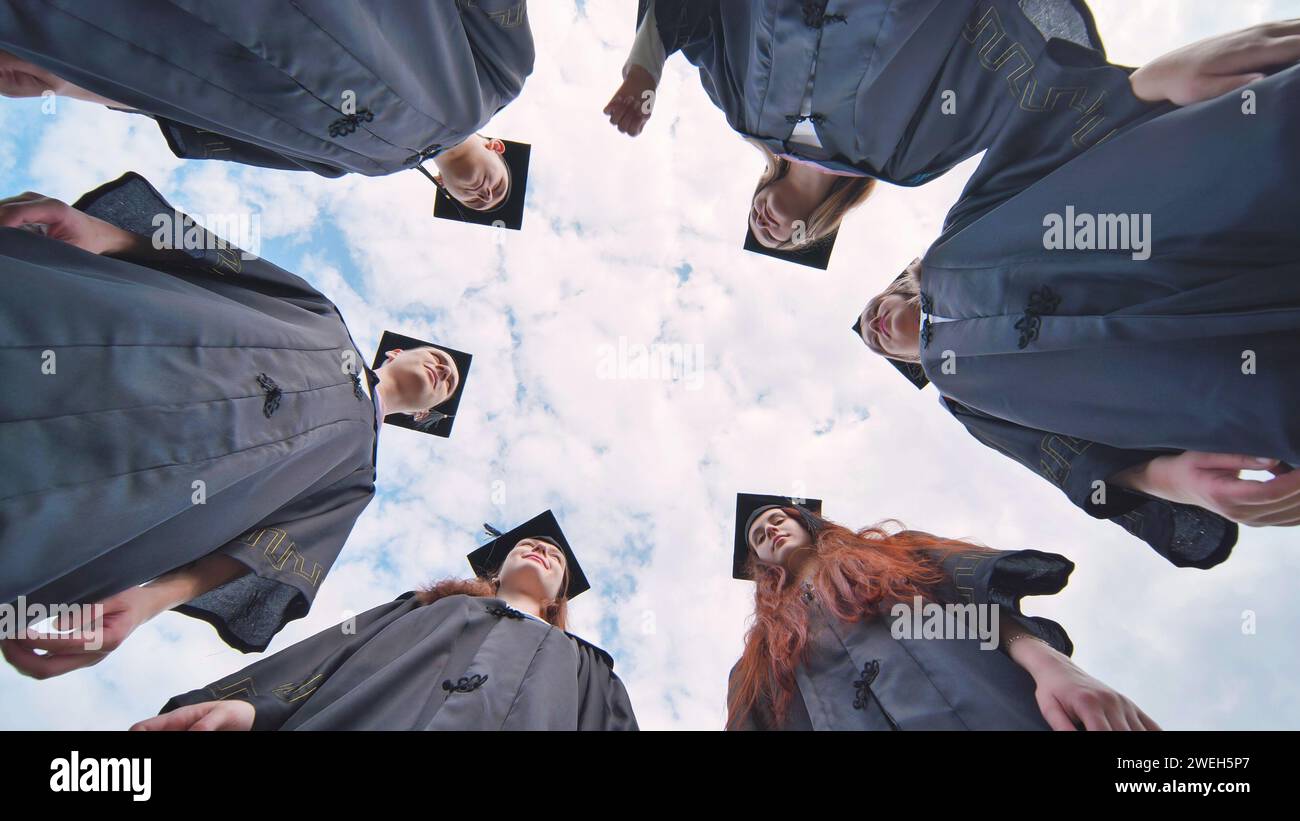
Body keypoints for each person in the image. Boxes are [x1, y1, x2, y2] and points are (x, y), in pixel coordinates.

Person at [0, 172, 469, 677]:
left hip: (102, 498)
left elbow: (266, 556)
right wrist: (104, 233)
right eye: (440, 357)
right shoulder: (319, 313)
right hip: (84, 332)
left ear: (425, 415)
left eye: (449, 383)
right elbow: (214, 259)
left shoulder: (354, 479)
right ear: (397, 351)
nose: (444, 370)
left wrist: (145, 603)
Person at [854, 55, 1300, 567]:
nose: (875, 326)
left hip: (1214, 212)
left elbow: (1041, 140)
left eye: (872, 311)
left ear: (896, 291)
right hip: (1221, 381)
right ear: (907, 363)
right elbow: (1066, 458)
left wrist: (1146, 86)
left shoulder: (955, 243)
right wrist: (1170, 479)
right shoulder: (966, 399)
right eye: (875, 340)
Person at [605, 2, 1289, 255]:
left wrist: (643, 72)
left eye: (754, 225)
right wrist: (1146, 93)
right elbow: (1028, 99)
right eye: (779, 237)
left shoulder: (738, 109)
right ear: (819, 230)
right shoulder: (906, 159)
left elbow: (690, 14)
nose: (765, 223)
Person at [0, 0, 534, 210]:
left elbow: (202, 118)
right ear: (495, 145)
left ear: (444, 189)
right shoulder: (498, 80)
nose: (486, 193)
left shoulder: (361, 165)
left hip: (151, 29)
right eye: (501, 183)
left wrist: (66, 85)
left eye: (478, 204)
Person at [131, 511, 639, 731]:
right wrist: (257, 710)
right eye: (530, 542)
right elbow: (332, 660)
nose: (538, 548)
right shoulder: (424, 608)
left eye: (554, 554)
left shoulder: (589, 674)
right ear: (496, 565)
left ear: (559, 601)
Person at [727, 494, 1158, 730]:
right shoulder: (762, 659)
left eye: (779, 518)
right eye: (758, 535)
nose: (769, 529)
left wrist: (1052, 665)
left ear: (806, 521)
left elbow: (978, 607)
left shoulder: (899, 556)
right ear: (758, 563)